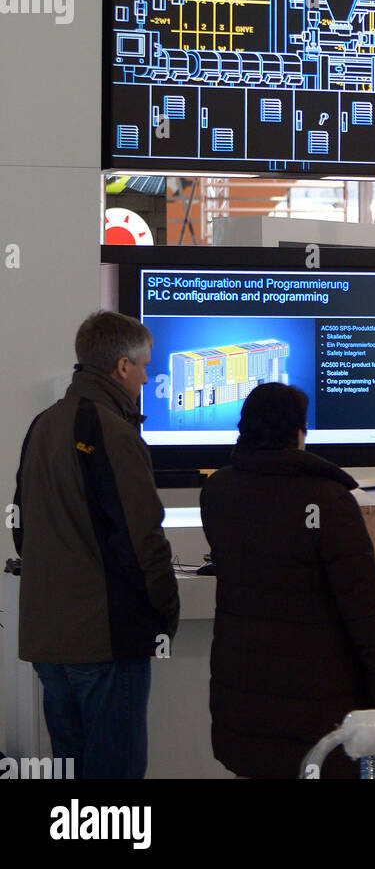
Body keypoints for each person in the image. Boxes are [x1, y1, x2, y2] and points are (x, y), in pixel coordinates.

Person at [200, 382, 375, 779]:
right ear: (298, 433)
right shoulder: (329, 500)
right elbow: (366, 612)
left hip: (243, 700)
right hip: (318, 707)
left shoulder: (218, 492)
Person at [13, 311, 179, 779]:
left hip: (50, 641)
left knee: (71, 771)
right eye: (145, 366)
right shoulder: (114, 432)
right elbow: (142, 540)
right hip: (104, 641)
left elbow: (21, 529)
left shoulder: (42, 425)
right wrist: (165, 613)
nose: (148, 377)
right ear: (122, 367)